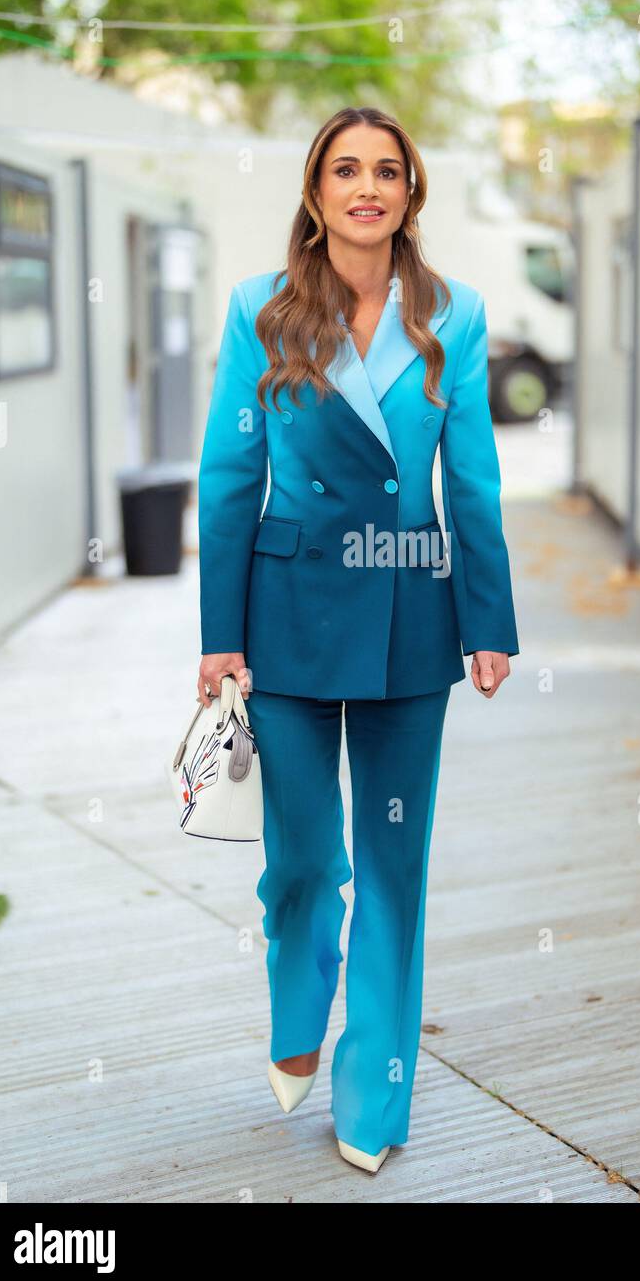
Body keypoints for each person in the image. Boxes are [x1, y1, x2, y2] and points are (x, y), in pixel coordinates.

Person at [196, 106, 519, 1174]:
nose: (366, 186)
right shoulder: (259, 308)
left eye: (387, 170)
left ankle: (370, 1094)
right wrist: (217, 634)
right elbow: (230, 476)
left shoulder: (454, 313)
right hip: (283, 614)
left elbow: (468, 478)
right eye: (346, 169)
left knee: (391, 863)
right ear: (316, 191)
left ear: (408, 193)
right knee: (302, 860)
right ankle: (298, 1012)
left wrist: (487, 619)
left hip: (406, 611)